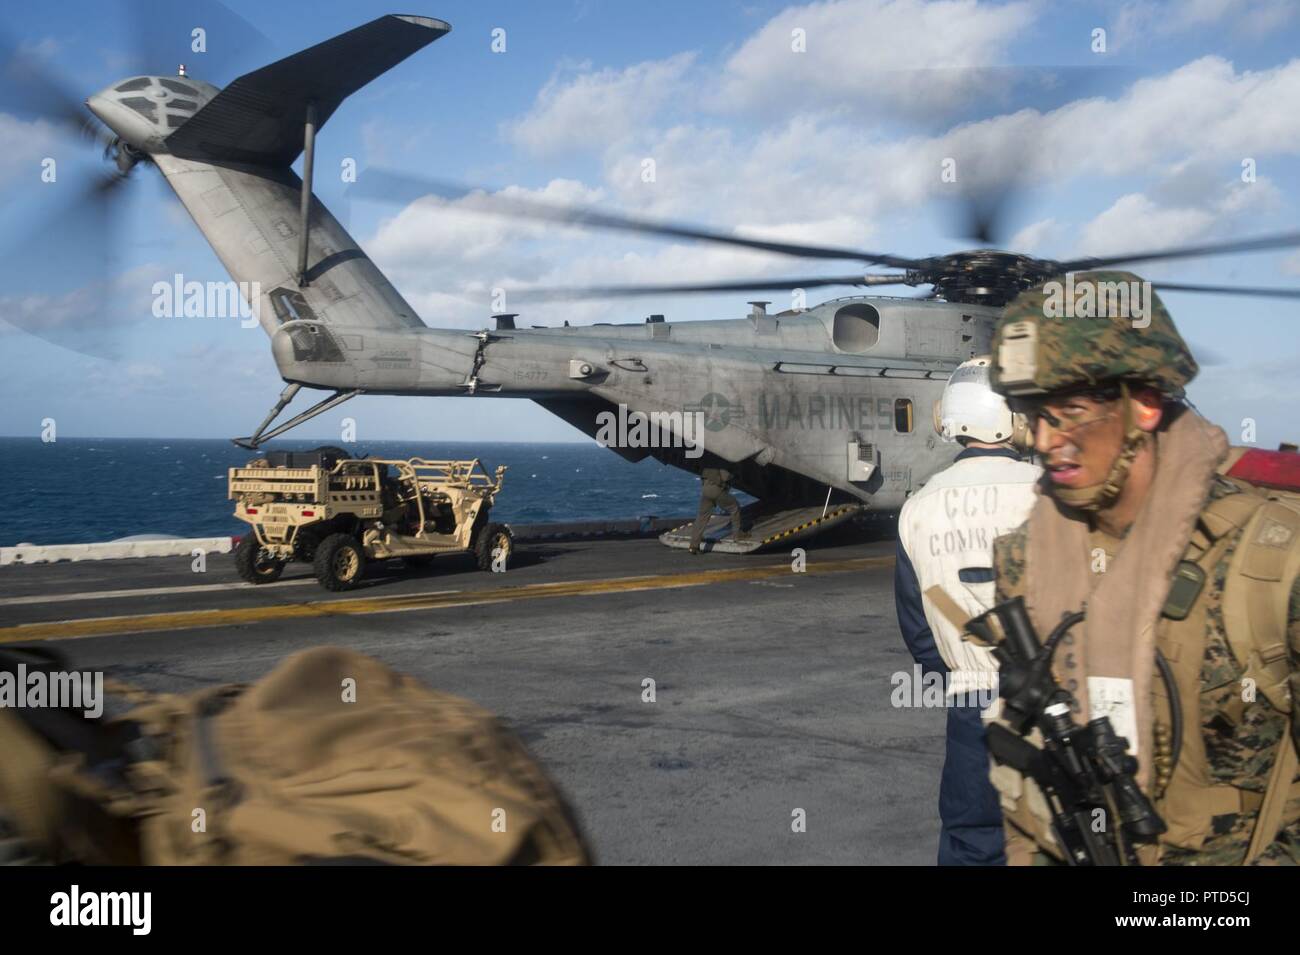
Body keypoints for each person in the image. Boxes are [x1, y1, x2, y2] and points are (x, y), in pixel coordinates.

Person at [983, 270, 1300, 865]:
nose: (1047, 441)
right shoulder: (1022, 558)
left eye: (1069, 412)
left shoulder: (1271, 561)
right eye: (1034, 416)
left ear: (1145, 407)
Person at [894, 356, 1040, 865]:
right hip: (1049, 696)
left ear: (947, 418)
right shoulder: (1048, 493)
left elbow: (918, 629)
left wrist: (959, 675)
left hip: (972, 703)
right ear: (1013, 417)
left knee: (973, 837)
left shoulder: (918, 507)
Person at [688, 466, 748, 553]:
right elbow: (725, 477)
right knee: (735, 507)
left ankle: (693, 546)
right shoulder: (722, 462)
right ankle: (737, 535)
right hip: (715, 488)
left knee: (702, 517)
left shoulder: (709, 463)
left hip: (705, 489)